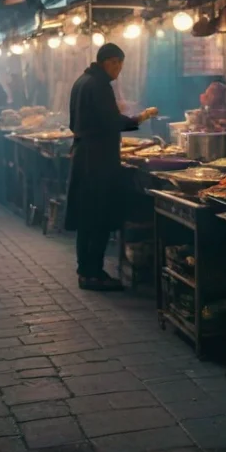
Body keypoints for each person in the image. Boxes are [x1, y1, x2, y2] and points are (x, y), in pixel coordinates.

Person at [65, 43, 158, 291]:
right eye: (117, 64)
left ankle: (86, 271)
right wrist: (139, 118)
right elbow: (111, 121)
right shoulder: (99, 85)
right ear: (108, 62)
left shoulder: (81, 81)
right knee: (98, 217)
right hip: (98, 161)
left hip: (84, 155)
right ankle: (93, 274)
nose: (119, 70)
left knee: (87, 217)